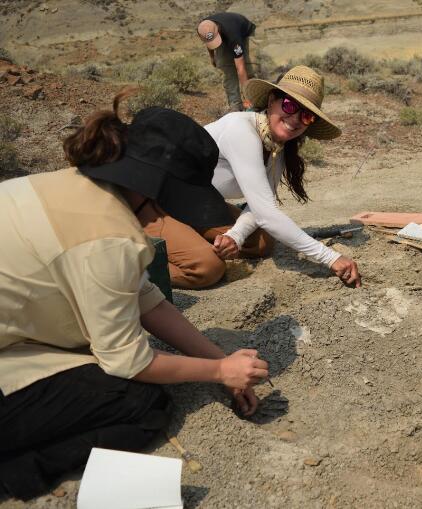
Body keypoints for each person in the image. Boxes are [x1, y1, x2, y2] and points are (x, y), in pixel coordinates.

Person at [0, 92, 269, 500]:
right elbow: (128, 361)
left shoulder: (71, 185)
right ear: (160, 191)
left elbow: (145, 298)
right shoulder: (109, 237)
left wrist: (218, 357)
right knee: (141, 403)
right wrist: (220, 373)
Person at [140, 65, 361, 289]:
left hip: (195, 204)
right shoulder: (240, 129)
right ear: (272, 100)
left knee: (262, 242)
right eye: (289, 105)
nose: (294, 119)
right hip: (155, 202)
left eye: (305, 115)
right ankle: (131, 270)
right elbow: (267, 214)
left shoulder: (277, 147)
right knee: (207, 268)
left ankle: (182, 241)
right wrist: (330, 258)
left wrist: (235, 235)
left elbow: (260, 206)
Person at [197, 12, 256, 111]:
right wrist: (212, 57)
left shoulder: (234, 36)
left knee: (247, 69)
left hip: (243, 33)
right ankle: (235, 104)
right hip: (224, 33)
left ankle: (253, 99)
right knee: (226, 68)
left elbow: (240, 68)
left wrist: (247, 99)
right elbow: (208, 43)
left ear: (218, 30)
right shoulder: (203, 28)